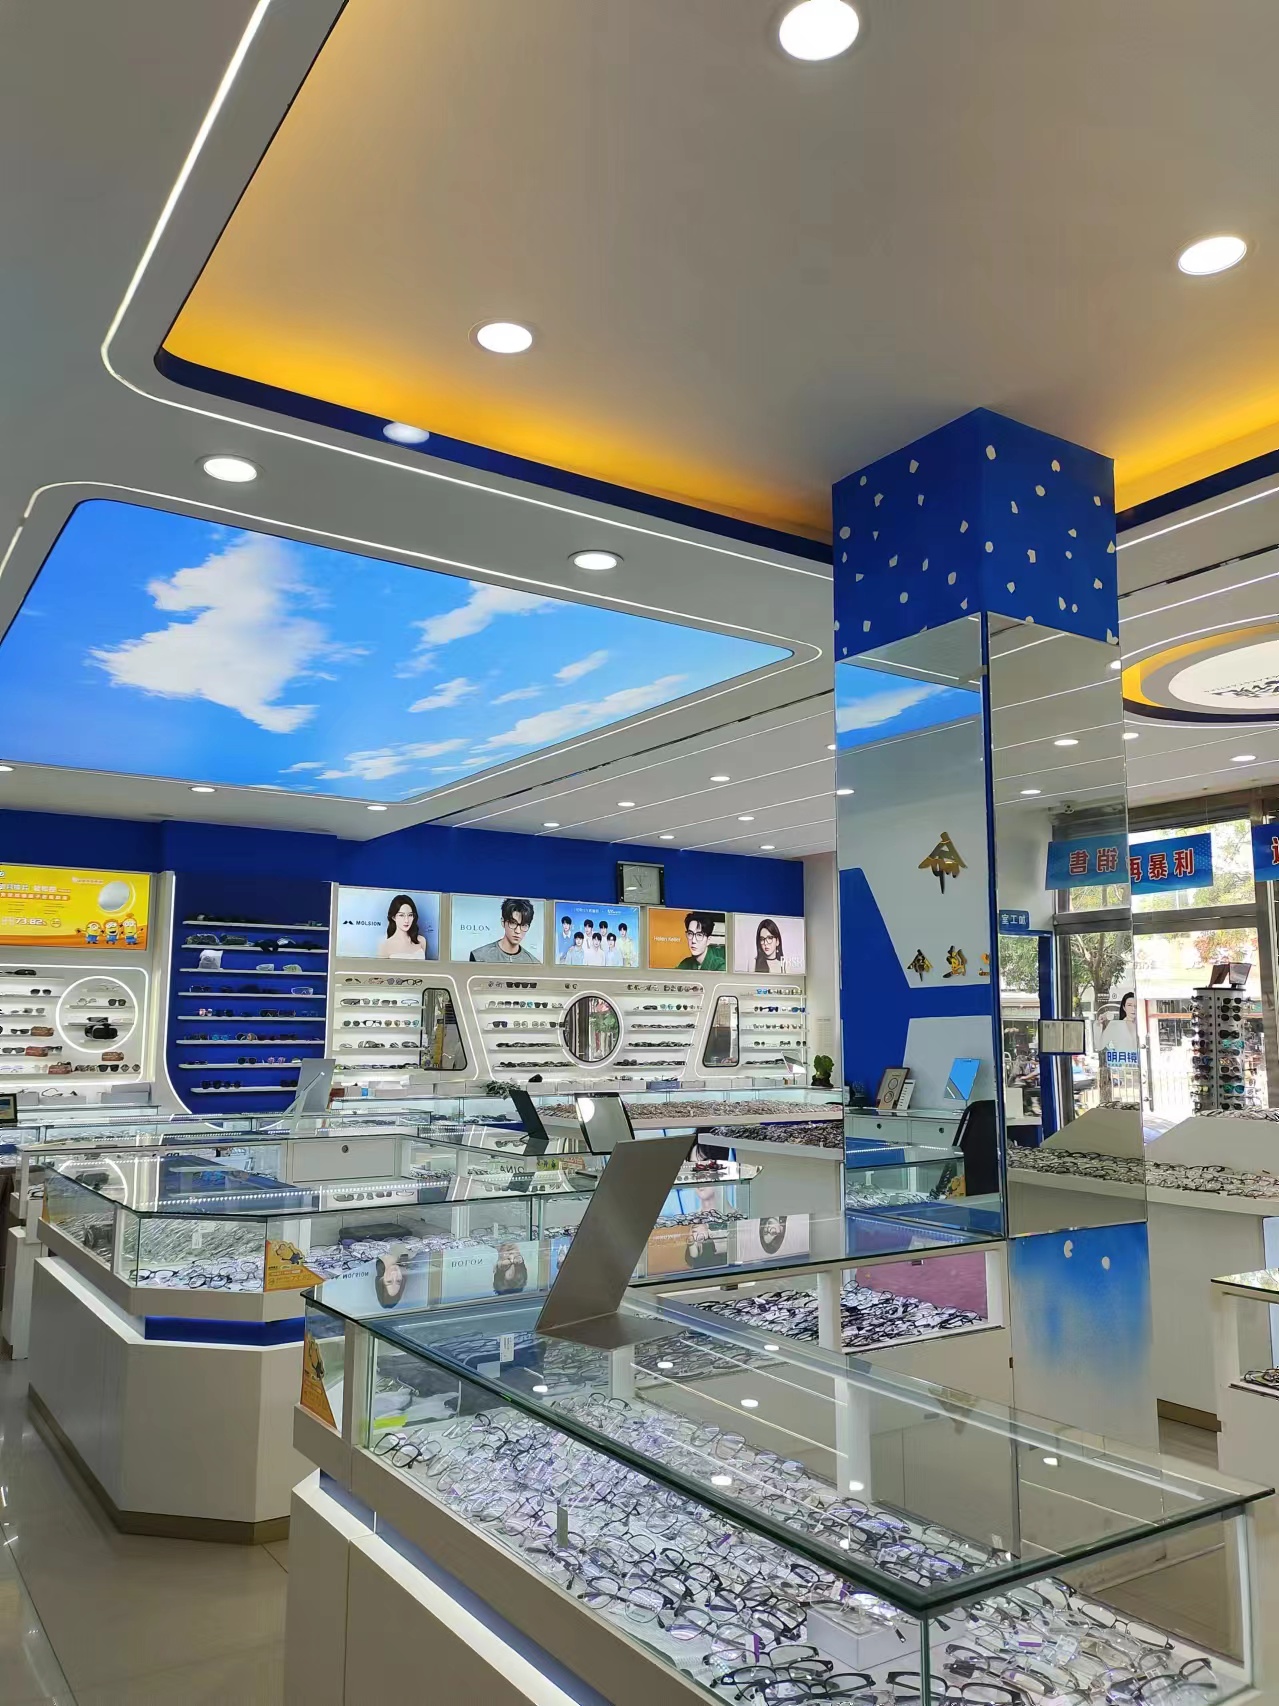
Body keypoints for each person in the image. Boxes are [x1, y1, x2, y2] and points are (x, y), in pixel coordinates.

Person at [469, 897, 540, 963]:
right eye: (513, 923)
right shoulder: (479, 957)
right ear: (503, 922)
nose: (517, 931)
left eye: (523, 925)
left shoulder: (534, 963)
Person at [378, 893, 429, 959]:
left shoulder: (421, 941)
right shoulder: (385, 946)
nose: (406, 920)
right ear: (393, 917)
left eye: (410, 915)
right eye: (401, 915)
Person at [1099, 991, 1140, 1065]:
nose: (1133, 1009)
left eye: (1136, 1006)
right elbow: (1100, 1045)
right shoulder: (1115, 1025)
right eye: (1129, 1005)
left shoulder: (1144, 1025)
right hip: (1123, 1066)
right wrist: (1100, 1024)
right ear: (1124, 1007)